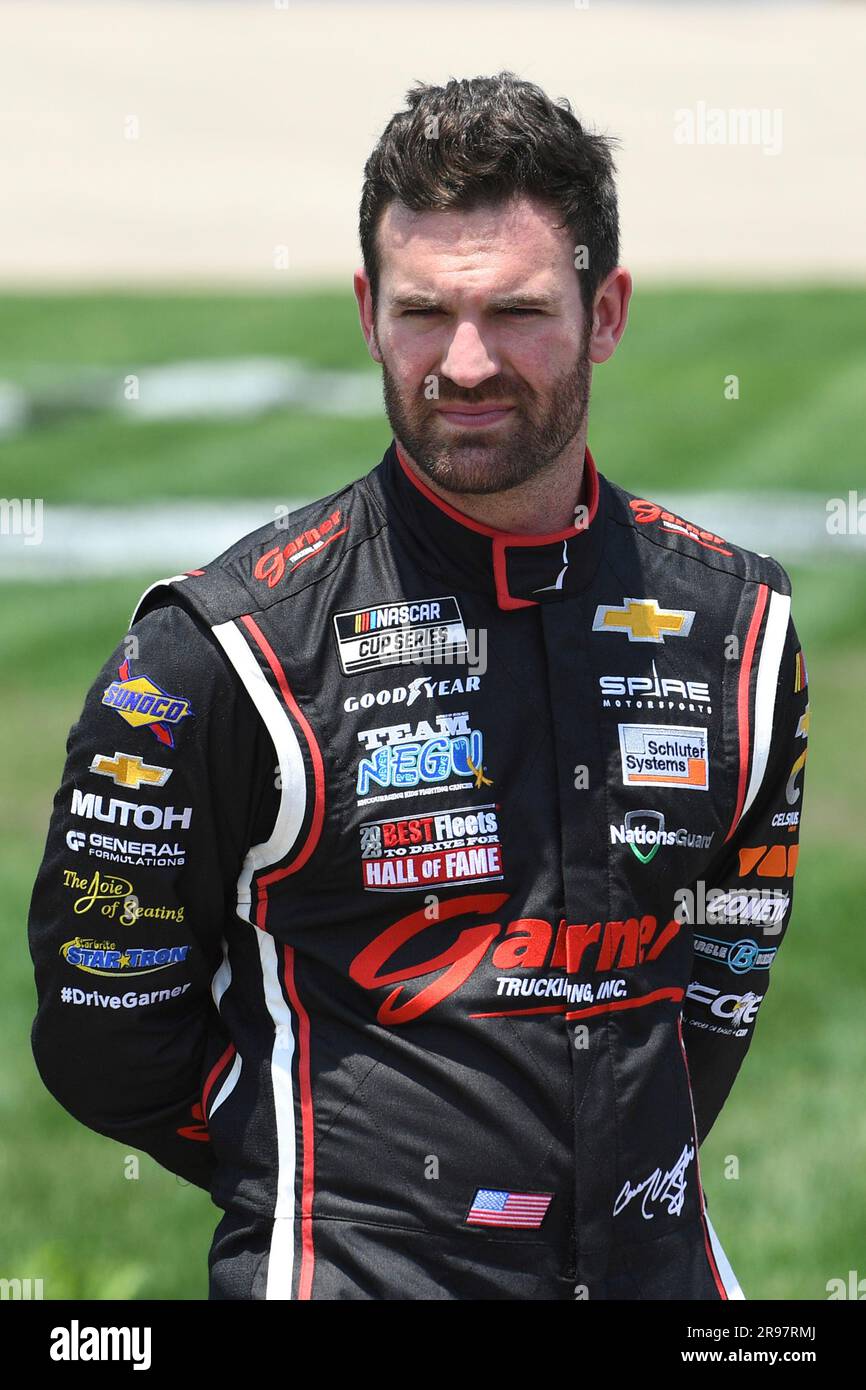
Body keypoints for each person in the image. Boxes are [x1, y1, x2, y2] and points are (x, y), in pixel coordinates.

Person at [28, 71, 809, 1301]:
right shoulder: (222, 646)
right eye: (420, 313)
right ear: (363, 310)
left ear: (605, 312)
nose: (464, 362)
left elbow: (720, 984)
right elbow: (104, 1030)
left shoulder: (740, 625)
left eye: (516, 311)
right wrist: (317, 1169)